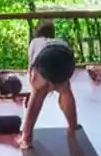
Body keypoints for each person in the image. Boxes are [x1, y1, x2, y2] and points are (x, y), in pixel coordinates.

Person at [17, 20, 80, 149]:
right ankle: (72, 127)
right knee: (65, 92)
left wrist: (36, 89)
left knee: (37, 95)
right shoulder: (60, 40)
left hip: (46, 57)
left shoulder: (35, 42)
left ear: (37, 33)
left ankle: (26, 138)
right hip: (65, 58)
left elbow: (31, 70)